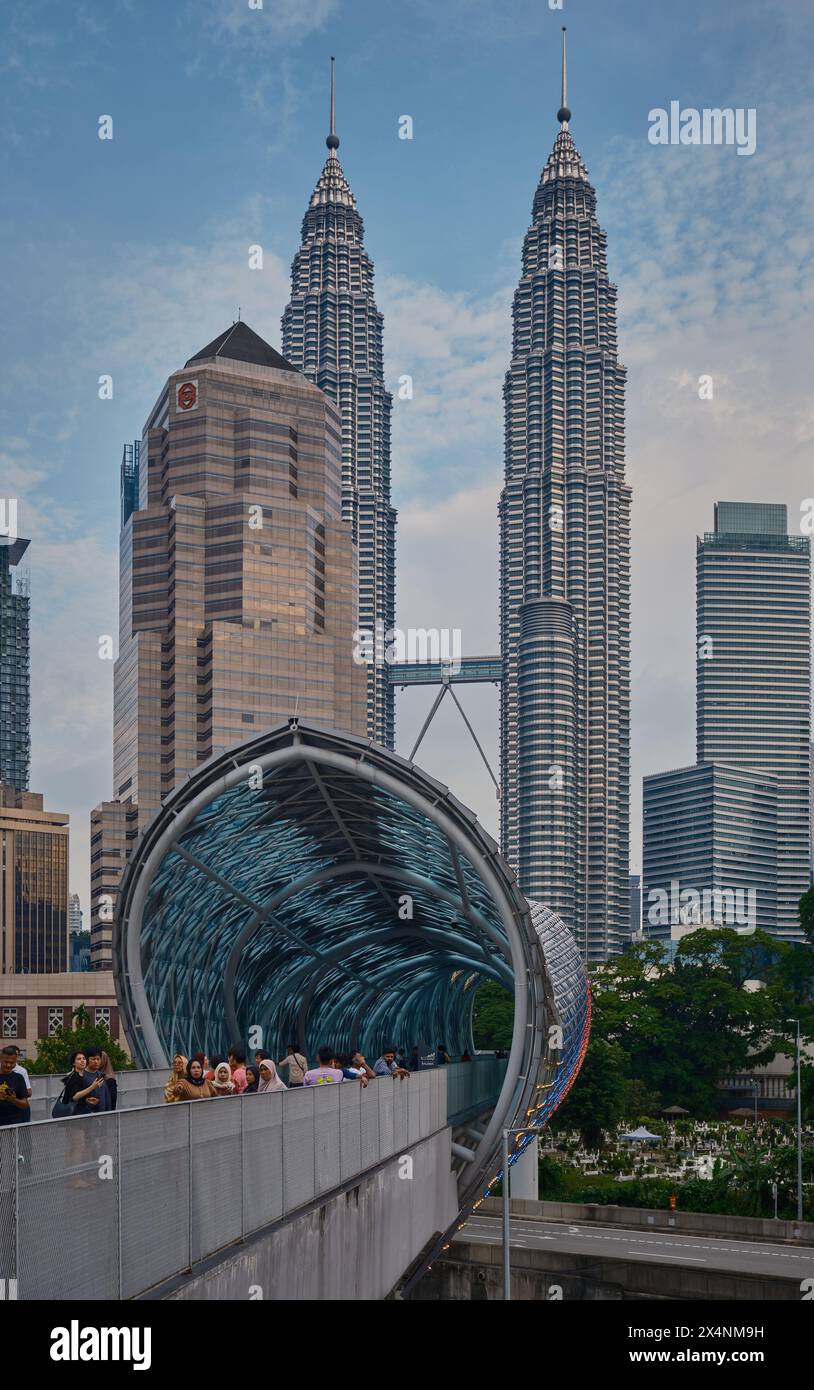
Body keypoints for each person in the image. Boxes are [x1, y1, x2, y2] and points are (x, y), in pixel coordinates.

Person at [0, 1045, 29, 1125]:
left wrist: (13, 1099)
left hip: (13, 1123)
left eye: (12, 1063)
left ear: (16, 1061)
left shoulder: (18, 1077)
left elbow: (25, 1104)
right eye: (6, 1062)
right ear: (0, 1059)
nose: (8, 1065)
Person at [7, 1045, 31, 1121]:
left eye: (16, 1055)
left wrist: (14, 1094)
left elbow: (29, 1092)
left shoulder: (21, 1071)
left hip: (18, 1108)